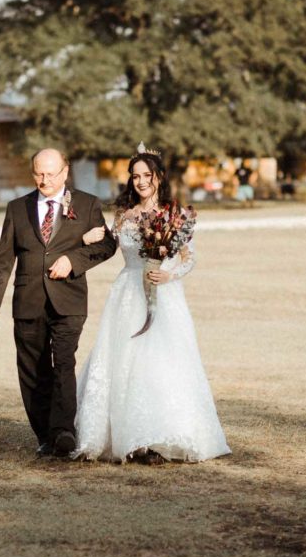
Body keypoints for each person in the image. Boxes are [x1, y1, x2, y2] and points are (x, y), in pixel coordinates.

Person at [74, 147, 231, 464]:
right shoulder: (124, 215)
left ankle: (157, 436)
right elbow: (110, 244)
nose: (141, 181)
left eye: (147, 175)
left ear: (159, 177)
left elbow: (190, 258)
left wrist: (170, 274)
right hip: (127, 292)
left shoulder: (174, 215)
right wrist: (88, 236)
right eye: (136, 176)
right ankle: (128, 438)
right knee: (124, 361)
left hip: (163, 293)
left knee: (160, 362)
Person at [0, 148, 116, 458]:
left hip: (69, 300)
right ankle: (44, 434)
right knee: (33, 368)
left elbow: (107, 245)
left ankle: (64, 431)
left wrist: (73, 260)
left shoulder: (87, 204)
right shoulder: (17, 208)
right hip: (28, 300)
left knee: (64, 363)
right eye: (38, 174)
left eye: (51, 174)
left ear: (65, 172)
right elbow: (4, 258)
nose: (44, 180)